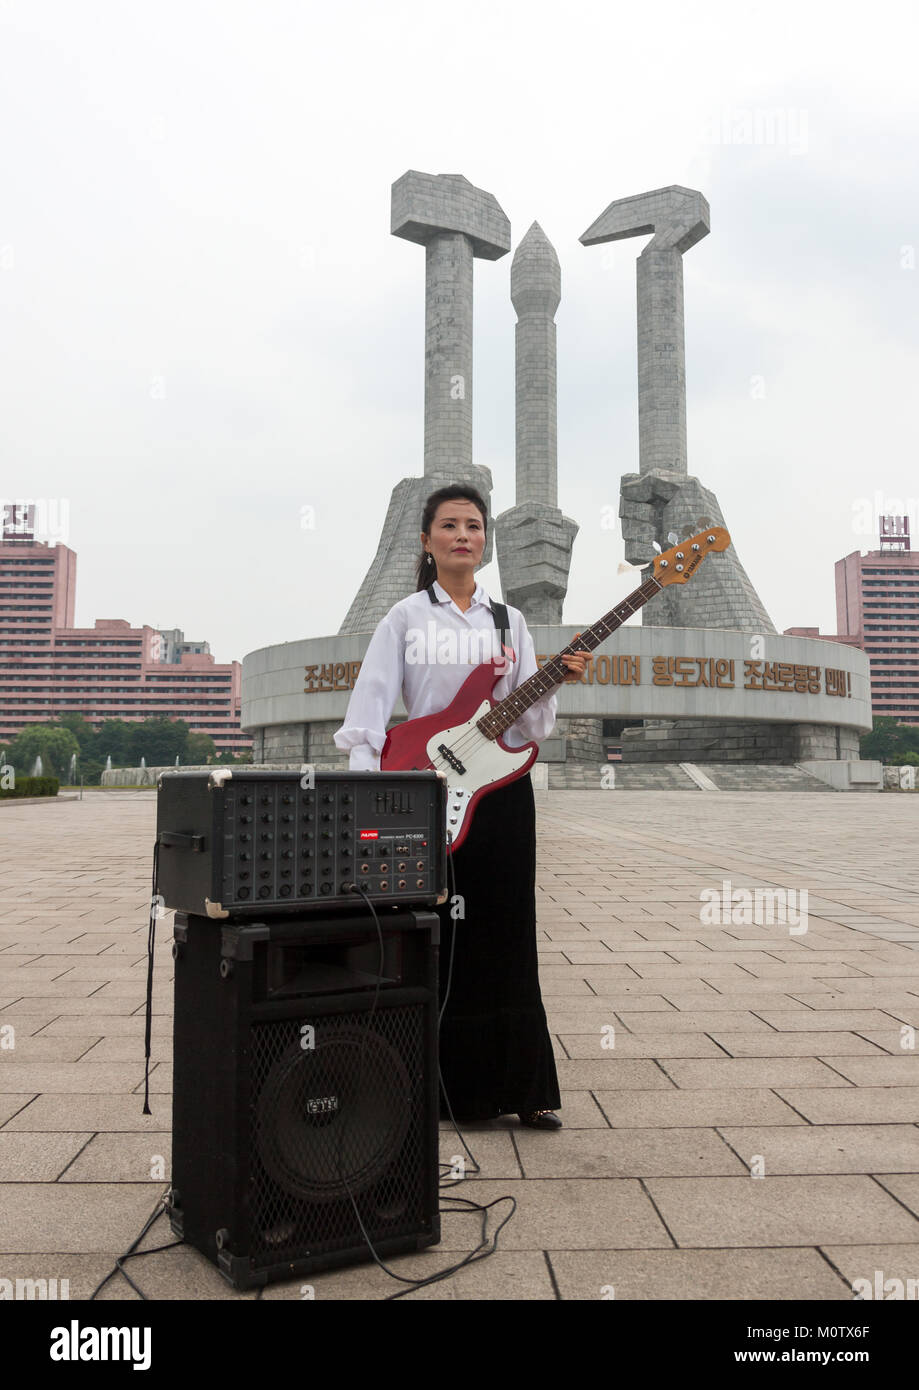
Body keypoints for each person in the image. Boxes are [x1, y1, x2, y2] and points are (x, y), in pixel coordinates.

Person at [333, 483, 591, 1129]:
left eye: (473, 526)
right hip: (428, 790)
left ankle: (523, 1088)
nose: (462, 536)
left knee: (509, 933)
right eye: (448, 525)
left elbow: (529, 730)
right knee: (440, 934)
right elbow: (370, 705)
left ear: (485, 542)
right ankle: (447, 1090)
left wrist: (551, 682)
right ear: (426, 541)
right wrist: (367, 788)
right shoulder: (404, 619)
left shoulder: (511, 622)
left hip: (500, 796)